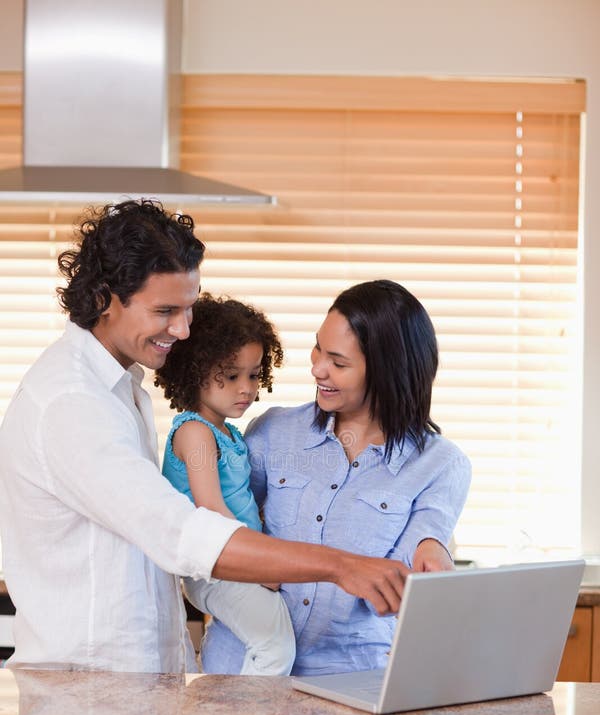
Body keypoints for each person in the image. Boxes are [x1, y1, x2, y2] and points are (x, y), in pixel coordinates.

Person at [0, 200, 409, 674]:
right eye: (165, 311)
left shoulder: (119, 387)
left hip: (131, 687)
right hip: (90, 693)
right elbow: (182, 532)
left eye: (189, 308)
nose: (183, 328)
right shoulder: (71, 403)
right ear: (103, 299)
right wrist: (339, 565)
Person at [200, 279, 472, 677]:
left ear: (387, 372)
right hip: (239, 672)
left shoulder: (441, 464)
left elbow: (428, 538)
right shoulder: (272, 433)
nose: (317, 369)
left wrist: (433, 556)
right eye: (318, 349)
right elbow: (220, 537)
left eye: (339, 363)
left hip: (349, 684)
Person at [155, 295, 295, 675]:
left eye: (253, 374)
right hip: (216, 568)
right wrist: (262, 568)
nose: (246, 388)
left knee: (267, 639)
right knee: (275, 647)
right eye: (231, 375)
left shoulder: (227, 432)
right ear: (194, 371)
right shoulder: (196, 433)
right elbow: (212, 512)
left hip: (231, 563)